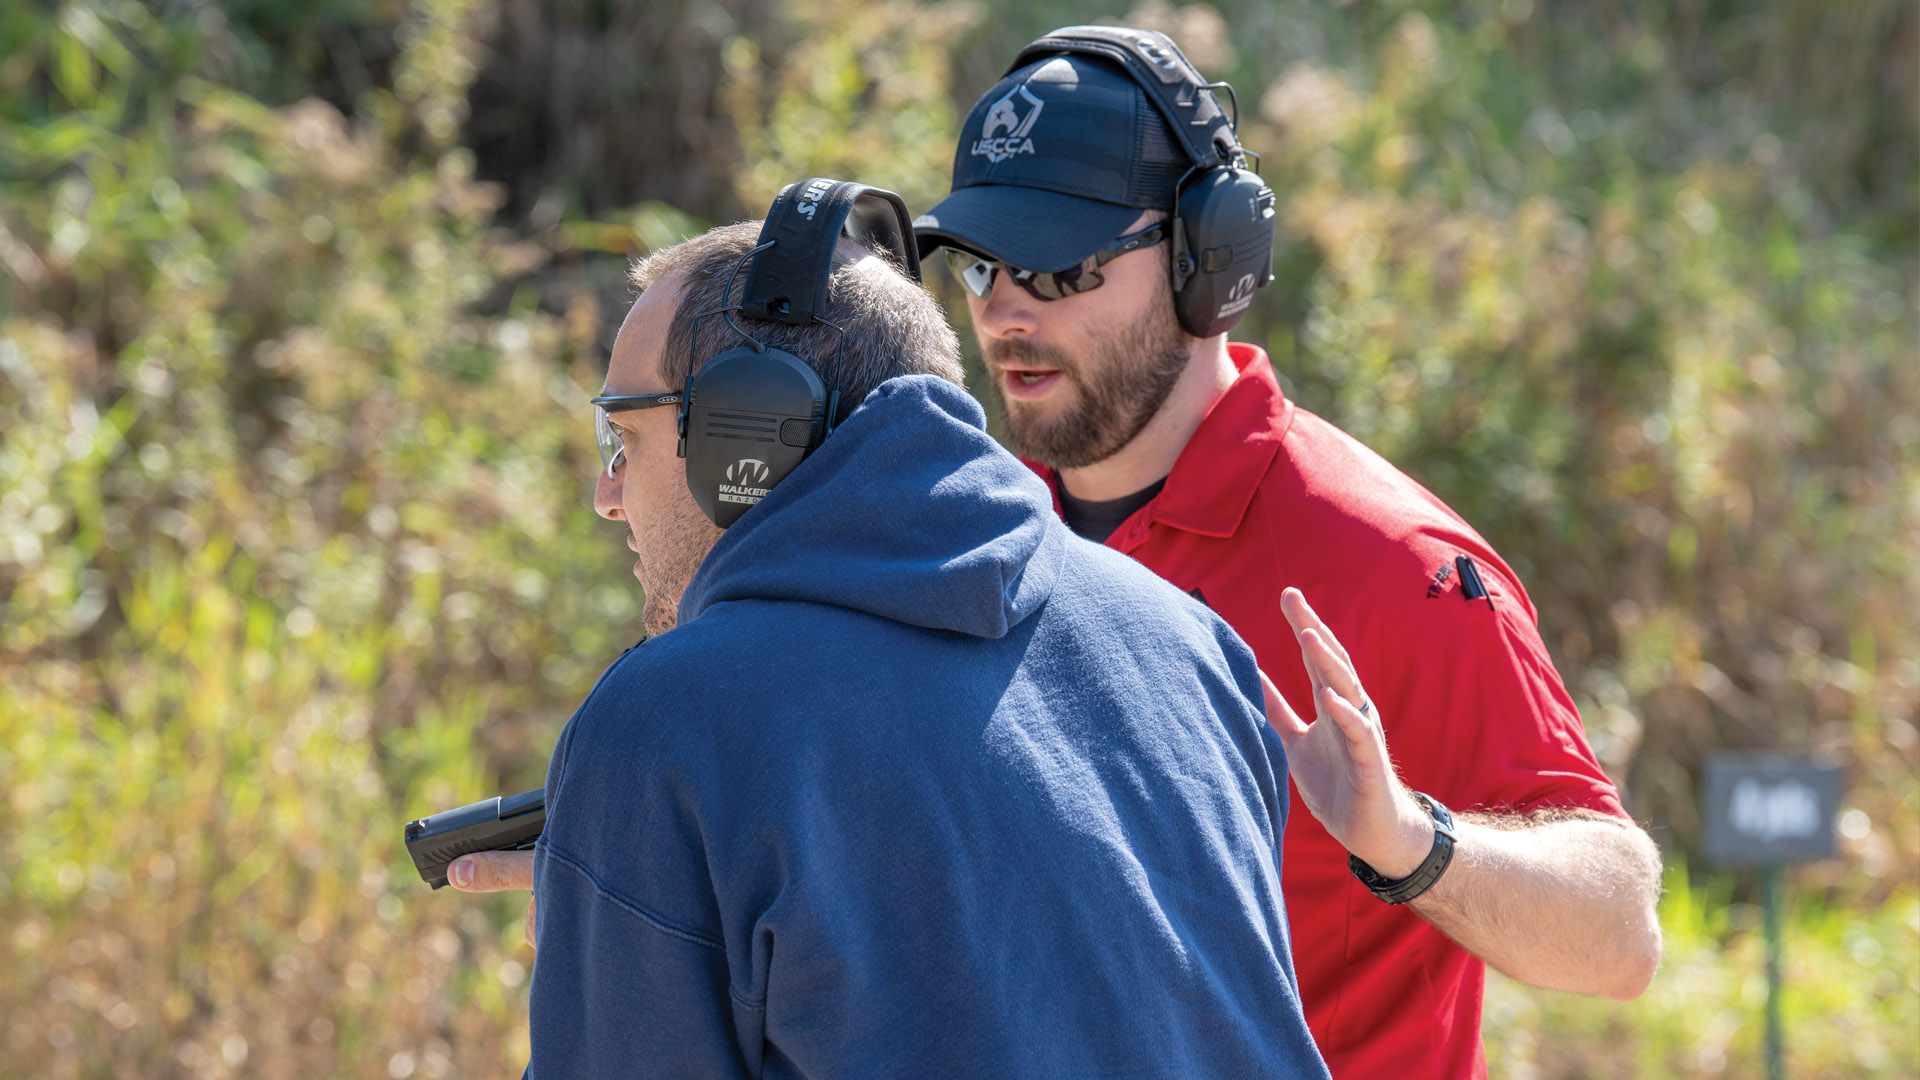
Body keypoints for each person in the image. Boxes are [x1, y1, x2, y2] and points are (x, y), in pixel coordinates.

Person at [908, 28, 1664, 1078]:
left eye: (1055, 266)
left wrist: (1407, 841)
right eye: (982, 265)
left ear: (1204, 260)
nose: (1003, 311)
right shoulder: (979, 538)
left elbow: (1621, 930)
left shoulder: (1386, 561)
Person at [490, 214, 1332, 1076]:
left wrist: (620, 896)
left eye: (623, 435)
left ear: (746, 432)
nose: (606, 492)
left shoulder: (667, 724)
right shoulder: (1192, 645)